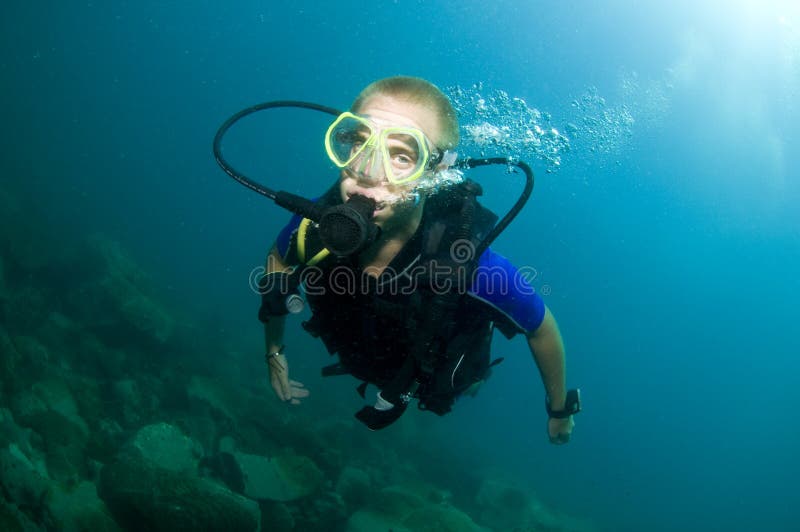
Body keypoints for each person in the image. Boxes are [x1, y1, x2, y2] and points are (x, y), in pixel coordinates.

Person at [258, 76, 577, 443]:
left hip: (435, 370)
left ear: (437, 172)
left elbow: (541, 327)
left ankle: (472, 382)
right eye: (360, 142)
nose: (369, 172)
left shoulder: (470, 266)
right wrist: (273, 351)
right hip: (361, 348)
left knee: (466, 377)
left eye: (401, 156)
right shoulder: (312, 229)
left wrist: (558, 411)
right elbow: (278, 262)